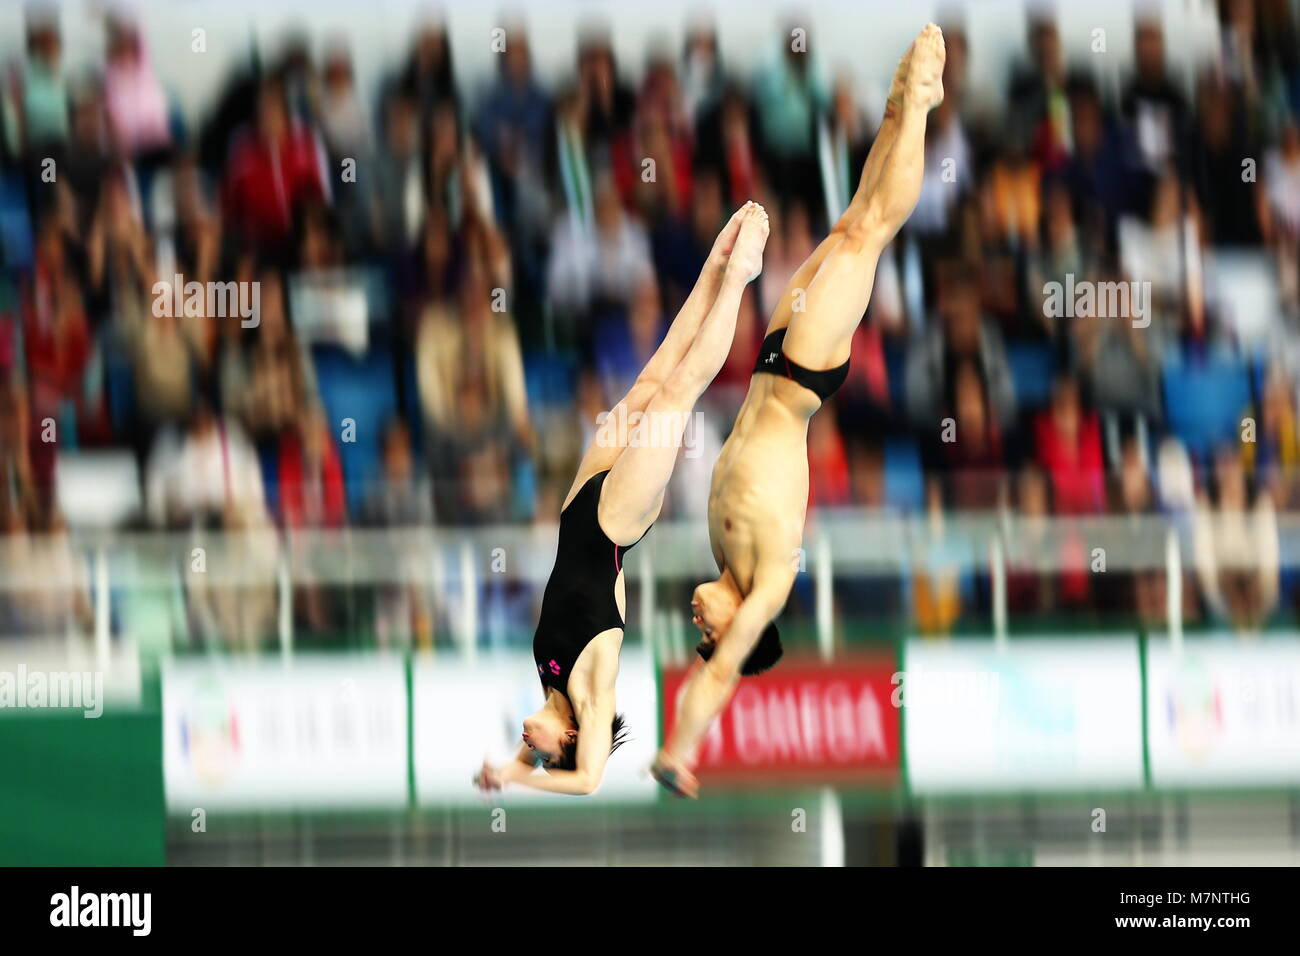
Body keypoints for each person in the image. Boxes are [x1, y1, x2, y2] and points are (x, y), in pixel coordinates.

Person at [651, 24, 945, 798]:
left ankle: (895, 112)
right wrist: (680, 750)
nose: (698, 626)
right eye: (707, 635)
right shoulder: (769, 583)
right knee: (871, 234)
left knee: (854, 221)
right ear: (736, 631)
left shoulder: (720, 548)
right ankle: (918, 110)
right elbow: (717, 681)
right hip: (806, 373)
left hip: (777, 360)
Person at [473, 201, 770, 796]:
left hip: (580, 506)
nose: (530, 743)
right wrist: (525, 783)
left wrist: (510, 769)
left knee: (652, 380)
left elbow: (535, 751)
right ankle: (740, 280)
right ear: (574, 739)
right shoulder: (591, 689)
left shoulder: (552, 684)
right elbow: (586, 783)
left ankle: (714, 264)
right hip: (614, 524)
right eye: (543, 751)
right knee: (679, 394)